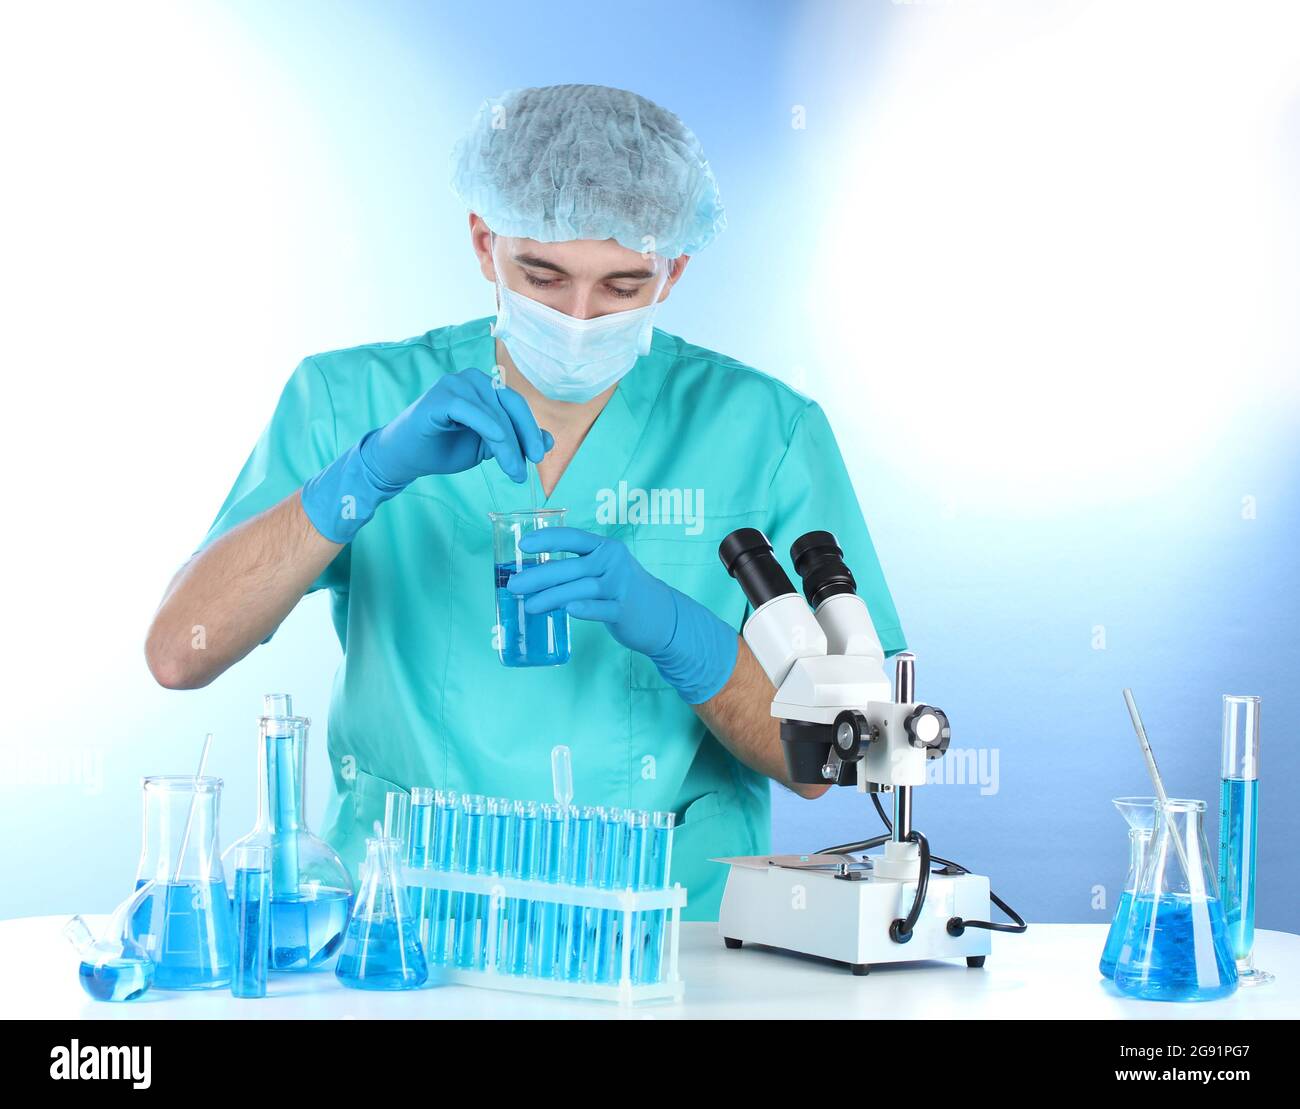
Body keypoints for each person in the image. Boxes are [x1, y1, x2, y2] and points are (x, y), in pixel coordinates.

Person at [145, 84, 906, 919]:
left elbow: (831, 760)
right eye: (542, 275)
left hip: (665, 938)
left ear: (674, 270)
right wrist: (363, 476)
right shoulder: (351, 396)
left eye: (622, 286)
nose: (579, 319)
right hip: (403, 925)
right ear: (484, 242)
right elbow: (183, 653)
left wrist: (680, 634)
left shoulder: (764, 431)